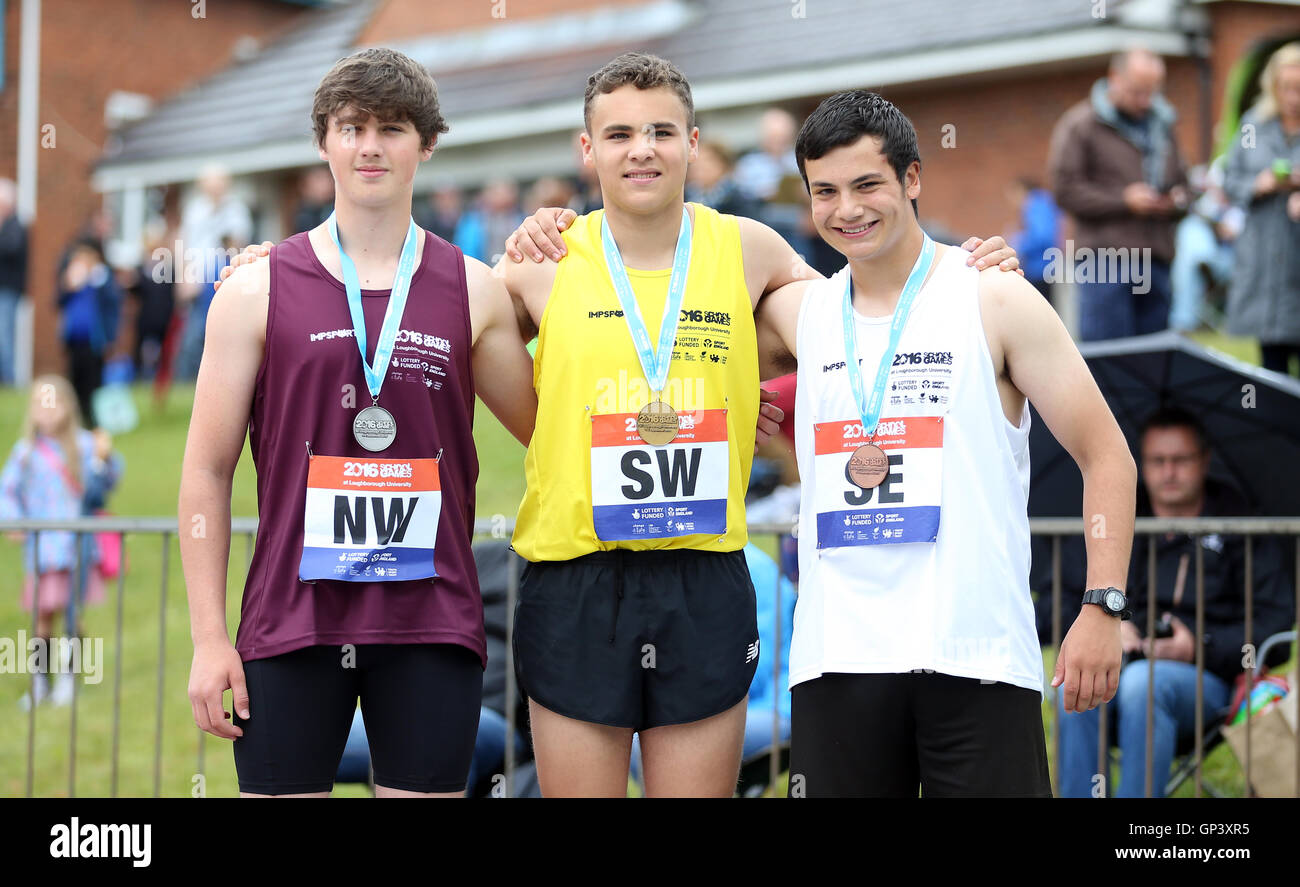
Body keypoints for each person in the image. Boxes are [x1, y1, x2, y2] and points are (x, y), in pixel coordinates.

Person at [499, 54, 1021, 797]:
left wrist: (971, 272)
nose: (641, 148)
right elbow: (459, 342)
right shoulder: (535, 261)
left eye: (661, 131)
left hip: (706, 576)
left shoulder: (749, 247)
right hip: (576, 579)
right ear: (587, 150)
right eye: (618, 134)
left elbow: (867, 314)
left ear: (694, 141)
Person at [180, 47, 538, 798]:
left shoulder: (473, 290)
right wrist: (210, 637)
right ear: (324, 142)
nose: (370, 146)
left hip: (431, 625)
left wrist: (565, 256)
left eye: (393, 128)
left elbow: (548, 426)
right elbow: (206, 471)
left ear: (427, 143)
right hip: (290, 620)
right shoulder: (255, 290)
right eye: (352, 127)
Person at [1049, 407, 1295, 797]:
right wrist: (1105, 621)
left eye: (1180, 460)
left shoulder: (1241, 523)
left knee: (1142, 686)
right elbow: (1056, 603)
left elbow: (1277, 628)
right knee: (1071, 688)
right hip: (1120, 669)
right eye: (1157, 461)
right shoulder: (1114, 517)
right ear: (1139, 463)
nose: (1168, 472)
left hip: (1208, 684)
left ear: (1205, 460)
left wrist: (1199, 645)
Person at [1049, 48, 1188, 341]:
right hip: (1104, 262)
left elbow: (1184, 184)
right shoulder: (1080, 125)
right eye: (1137, 91)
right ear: (1114, 78)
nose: (1145, 101)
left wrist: (1175, 201)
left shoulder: (1163, 126)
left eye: (1152, 92)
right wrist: (1124, 200)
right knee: (1108, 360)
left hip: (1156, 261)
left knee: (1155, 362)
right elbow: (1065, 190)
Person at [0, 375, 123, 708]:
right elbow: (7, 490)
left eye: (54, 401)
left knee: (73, 616)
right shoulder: (25, 453)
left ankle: (69, 680)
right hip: (42, 552)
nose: (48, 409)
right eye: (40, 402)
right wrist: (13, 522)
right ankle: (40, 683)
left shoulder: (84, 446)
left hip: (77, 548)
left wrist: (106, 458)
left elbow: (107, 481)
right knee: (42, 616)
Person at [1223, 42, 1300, 377]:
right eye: (1288, 88)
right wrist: (1260, 184)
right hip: (1266, 266)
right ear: (1274, 87)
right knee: (1272, 369)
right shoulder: (1254, 126)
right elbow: (1229, 178)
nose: (1294, 97)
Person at [57, 238, 123, 428]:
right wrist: (69, 285)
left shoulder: (101, 279)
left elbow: (112, 307)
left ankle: (93, 421)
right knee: (75, 381)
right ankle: (75, 419)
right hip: (75, 341)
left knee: (93, 382)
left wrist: (110, 338)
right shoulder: (72, 281)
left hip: (95, 341)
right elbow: (58, 302)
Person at [0, 178, 27, 386]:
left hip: (7, 291)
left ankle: (9, 381)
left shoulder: (15, 226)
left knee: (4, 337)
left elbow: (10, 249)